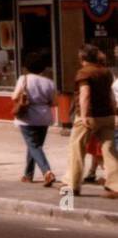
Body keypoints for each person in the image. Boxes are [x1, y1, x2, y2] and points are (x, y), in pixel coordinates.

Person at [66, 45, 118, 198]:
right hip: (107, 116)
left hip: (90, 116)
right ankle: (115, 185)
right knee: (109, 150)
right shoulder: (106, 72)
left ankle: (72, 185)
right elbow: (110, 94)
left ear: (82, 58)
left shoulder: (84, 73)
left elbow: (85, 94)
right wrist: (113, 112)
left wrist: (83, 115)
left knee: (77, 149)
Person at [11, 58, 56, 187]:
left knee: (34, 146)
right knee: (35, 146)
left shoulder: (23, 79)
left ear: (27, 67)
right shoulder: (49, 82)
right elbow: (54, 102)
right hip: (44, 117)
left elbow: (14, 97)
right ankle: (28, 175)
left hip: (27, 117)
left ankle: (47, 171)